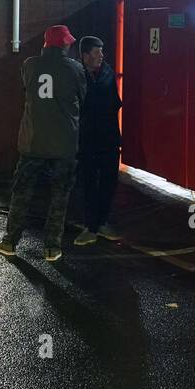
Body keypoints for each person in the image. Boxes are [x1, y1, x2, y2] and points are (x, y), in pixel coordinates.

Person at [0, 25, 86, 263]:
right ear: (64, 44)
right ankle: (52, 247)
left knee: (22, 191)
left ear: (46, 44)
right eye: (68, 42)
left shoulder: (30, 65)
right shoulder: (75, 68)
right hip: (64, 143)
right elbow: (83, 96)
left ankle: (10, 241)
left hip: (32, 141)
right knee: (59, 194)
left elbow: (26, 88)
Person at [72, 35, 124, 245]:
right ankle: (90, 226)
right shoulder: (77, 76)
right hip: (87, 139)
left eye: (102, 51)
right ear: (85, 56)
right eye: (96, 52)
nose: (101, 56)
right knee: (89, 183)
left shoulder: (108, 74)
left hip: (109, 137)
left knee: (108, 182)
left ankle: (101, 222)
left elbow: (115, 103)